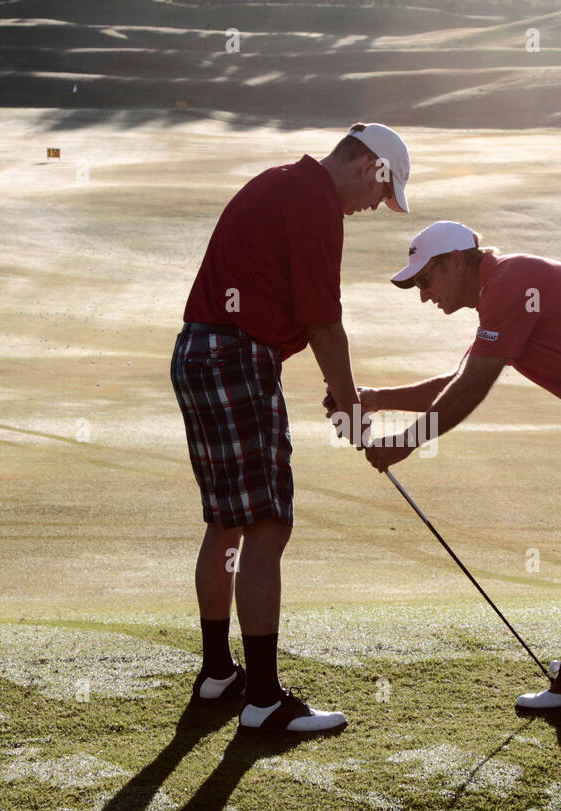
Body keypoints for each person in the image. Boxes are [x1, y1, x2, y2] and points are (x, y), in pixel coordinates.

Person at [361, 220, 561, 723]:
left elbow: (471, 390)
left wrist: (403, 444)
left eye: (425, 281)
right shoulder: (499, 290)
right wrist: (377, 400)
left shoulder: (510, 283)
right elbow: (458, 378)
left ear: (454, 263)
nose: (423, 296)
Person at [171, 123, 412, 733]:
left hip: (199, 353)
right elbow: (324, 321)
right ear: (367, 165)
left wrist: (339, 391)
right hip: (235, 359)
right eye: (379, 195)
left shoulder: (284, 184)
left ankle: (219, 673)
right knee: (268, 525)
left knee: (228, 518)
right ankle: (263, 700)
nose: (371, 209)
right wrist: (354, 407)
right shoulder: (314, 201)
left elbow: (297, 313)